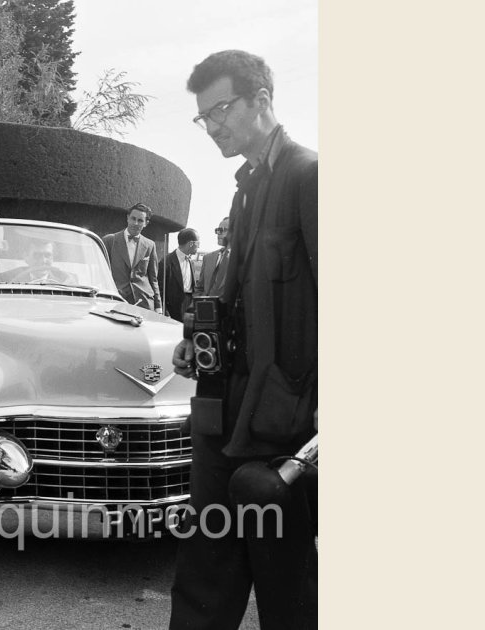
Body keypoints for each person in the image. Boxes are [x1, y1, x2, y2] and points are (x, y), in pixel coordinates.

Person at [169, 50, 318, 630]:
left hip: (284, 419)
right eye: (203, 117)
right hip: (224, 409)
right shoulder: (244, 192)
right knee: (205, 560)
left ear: (261, 100)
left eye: (220, 110)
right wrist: (196, 337)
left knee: (286, 580)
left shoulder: (310, 177)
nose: (212, 126)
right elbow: (237, 294)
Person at [101, 203, 162, 313]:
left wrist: (158, 306)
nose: (135, 223)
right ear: (127, 218)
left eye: (140, 220)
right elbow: (101, 273)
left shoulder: (150, 245)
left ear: (146, 223)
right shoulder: (110, 240)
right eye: (133, 218)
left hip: (144, 303)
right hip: (117, 300)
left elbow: (153, 278)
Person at [161, 228, 200, 322]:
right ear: (191, 244)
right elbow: (160, 289)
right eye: (198, 243)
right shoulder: (166, 262)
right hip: (173, 309)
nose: (199, 246)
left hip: (190, 305)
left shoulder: (191, 262)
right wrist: (165, 312)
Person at [0, 240, 76, 283]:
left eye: (47, 255)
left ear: (53, 257)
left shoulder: (67, 279)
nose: (43, 261)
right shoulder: (7, 278)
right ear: (26, 256)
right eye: (37, 255)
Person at [199, 218, 231, 296]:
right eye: (217, 230)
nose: (218, 233)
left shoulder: (245, 259)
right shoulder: (207, 258)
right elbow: (200, 287)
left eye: (223, 230)